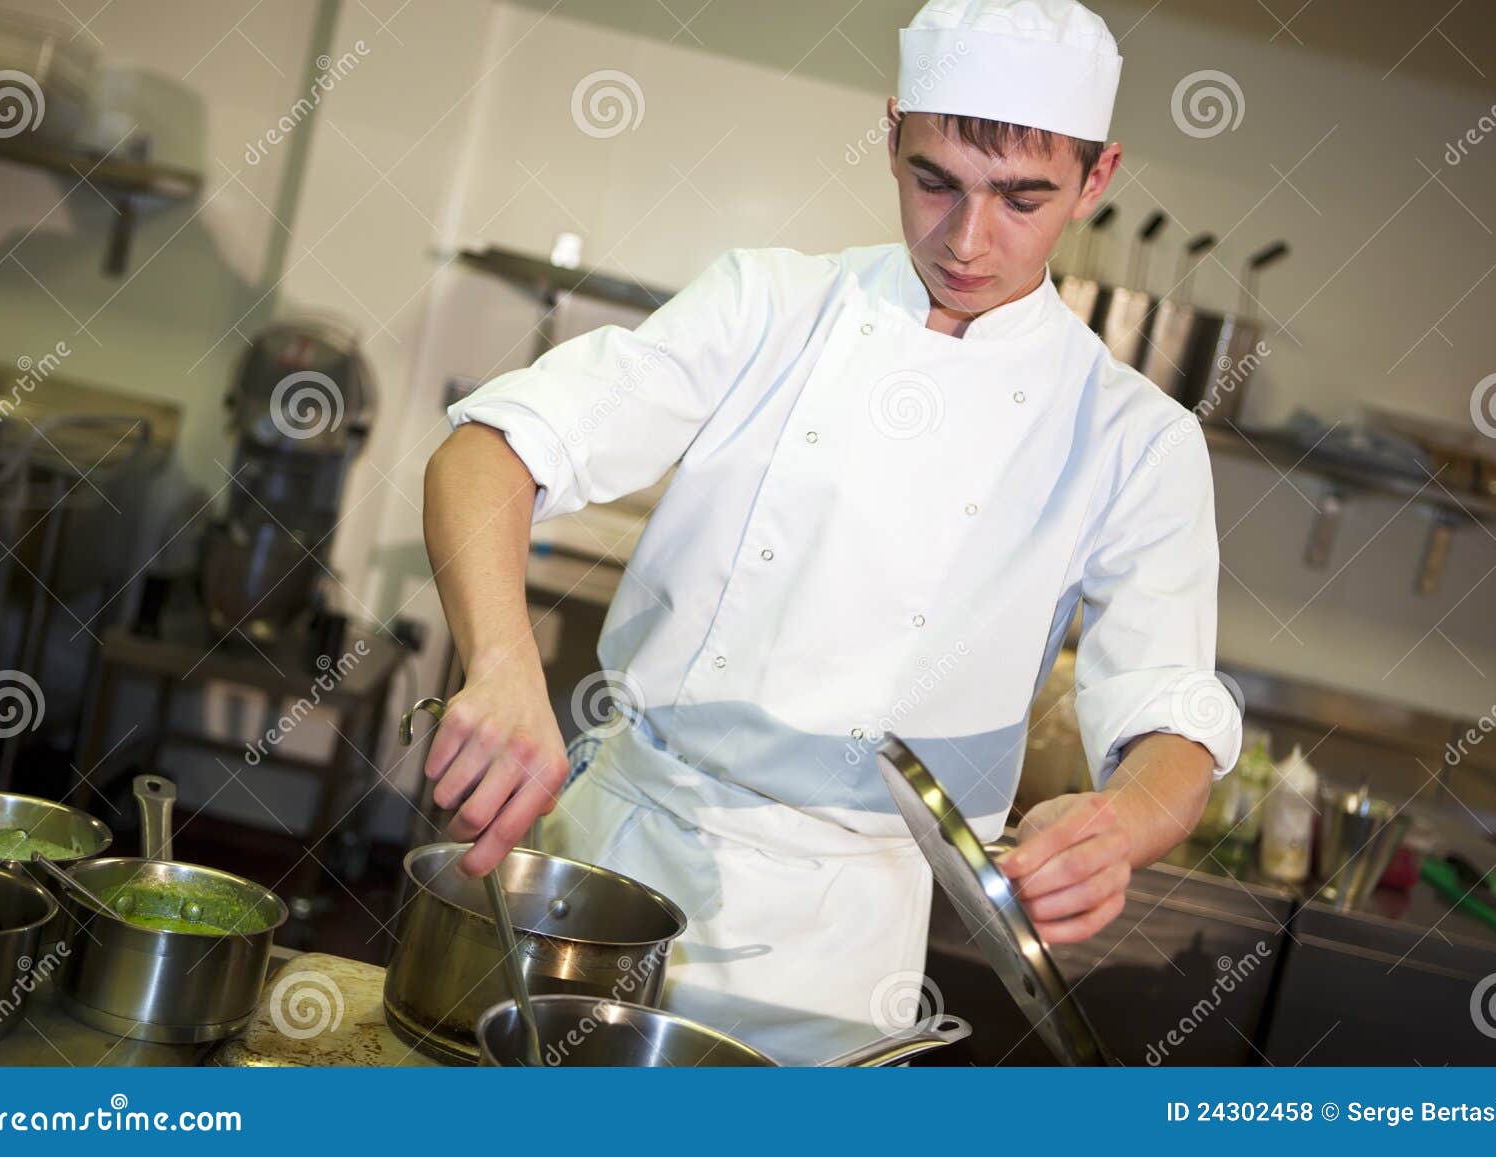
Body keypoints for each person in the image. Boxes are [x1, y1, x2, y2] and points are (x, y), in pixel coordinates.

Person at [422, 0, 1242, 1063]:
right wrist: (500, 662)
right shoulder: (768, 304)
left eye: (1021, 197)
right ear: (892, 130)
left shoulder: (1134, 436)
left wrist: (1126, 820)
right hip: (614, 864)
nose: (966, 237)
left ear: (1096, 177)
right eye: (934, 178)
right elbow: (489, 449)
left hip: (843, 950)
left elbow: (1170, 716)